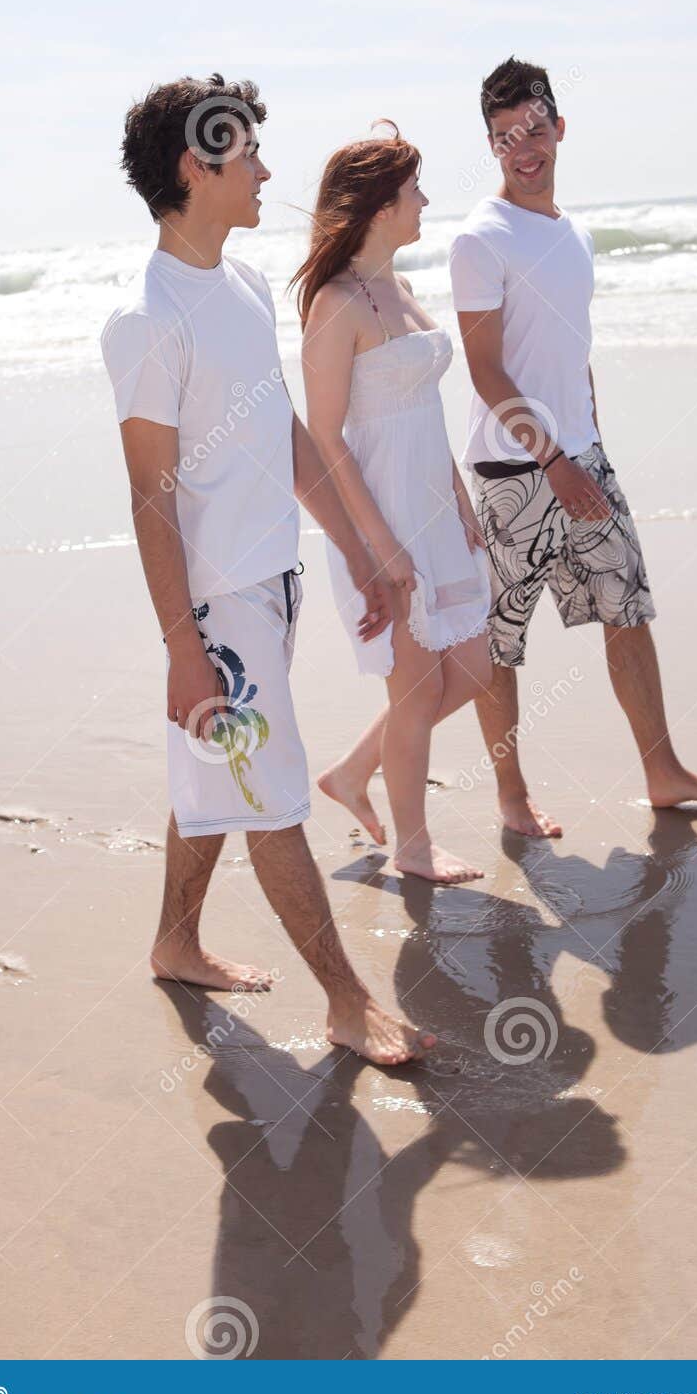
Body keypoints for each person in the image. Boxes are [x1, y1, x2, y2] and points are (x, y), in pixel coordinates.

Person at [100, 73, 435, 1064]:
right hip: (215, 609)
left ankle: (174, 939)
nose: (265, 170)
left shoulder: (239, 287)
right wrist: (183, 651)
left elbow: (284, 435)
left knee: (222, 777)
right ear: (193, 167)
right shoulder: (146, 316)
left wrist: (353, 543)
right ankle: (345, 999)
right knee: (271, 793)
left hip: (270, 583)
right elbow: (150, 496)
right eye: (244, 152)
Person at [450, 57, 697, 837]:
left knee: (629, 611)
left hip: (583, 457)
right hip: (519, 468)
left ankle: (661, 770)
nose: (525, 147)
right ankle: (511, 796)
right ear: (490, 145)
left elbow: (567, 346)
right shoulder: (480, 239)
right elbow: (486, 371)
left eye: (535, 128)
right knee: (503, 642)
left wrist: (588, 440)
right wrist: (552, 457)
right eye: (505, 136)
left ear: (558, 126)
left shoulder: (572, 231)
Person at [295, 126, 492, 884]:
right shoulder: (336, 304)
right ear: (379, 205)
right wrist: (378, 544)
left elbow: (419, 413)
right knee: (413, 690)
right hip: (383, 519)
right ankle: (411, 847)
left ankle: (350, 772)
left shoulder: (402, 290)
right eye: (413, 190)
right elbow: (324, 435)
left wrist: (458, 497)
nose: (425, 202)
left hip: (436, 512)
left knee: (470, 669)